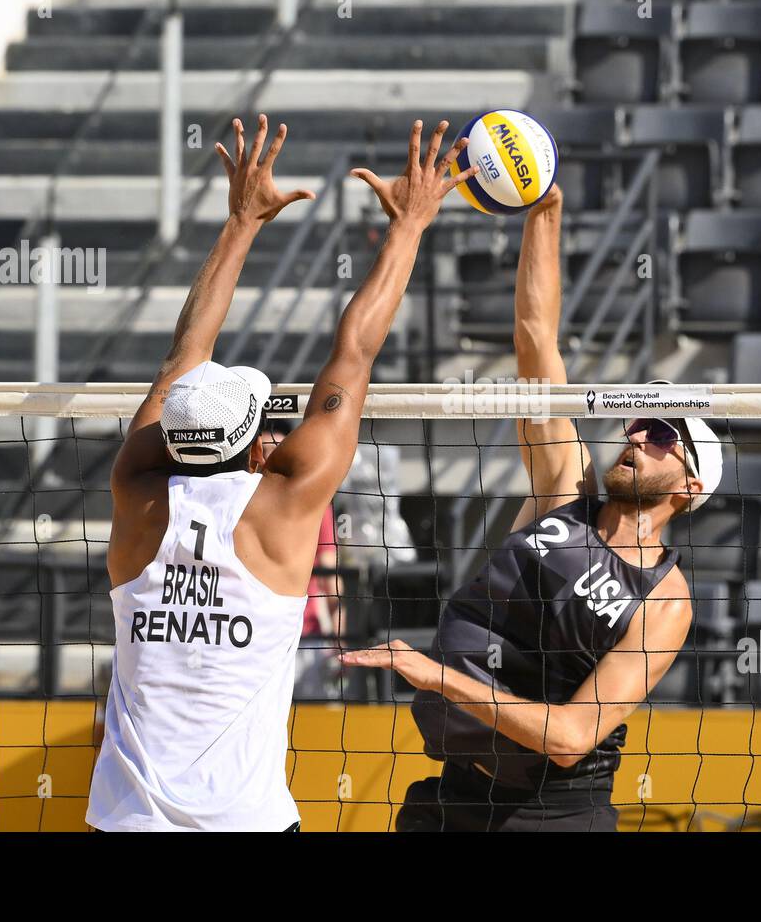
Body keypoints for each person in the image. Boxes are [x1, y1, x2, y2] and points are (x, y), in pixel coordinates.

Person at [84, 114, 478, 831]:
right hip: (247, 820)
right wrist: (410, 226)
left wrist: (239, 222)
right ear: (257, 442)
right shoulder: (285, 506)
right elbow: (352, 354)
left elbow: (181, 358)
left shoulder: (134, 493)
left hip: (128, 821)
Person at [341, 184, 721, 832]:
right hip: (457, 793)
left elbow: (573, 736)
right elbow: (535, 342)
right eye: (637, 425)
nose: (635, 436)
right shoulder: (563, 494)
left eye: (660, 436)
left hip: (552, 813)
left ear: (690, 486)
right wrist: (544, 213)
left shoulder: (665, 599)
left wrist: (439, 679)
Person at [262, 416, 343, 699]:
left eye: (279, 451)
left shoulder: (314, 504)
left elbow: (330, 575)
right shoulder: (236, 501)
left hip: (306, 636)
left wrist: (339, 638)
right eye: (266, 451)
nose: (272, 459)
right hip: (253, 637)